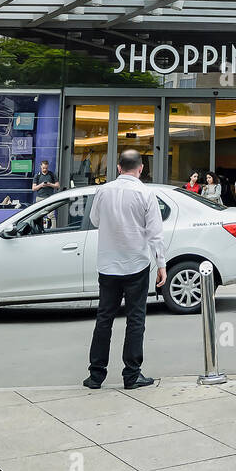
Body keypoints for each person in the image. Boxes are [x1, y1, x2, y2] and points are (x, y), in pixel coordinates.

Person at [84, 148, 165, 391]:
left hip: (108, 265)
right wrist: (162, 265)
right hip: (136, 264)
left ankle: (95, 375)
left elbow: (95, 220)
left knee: (104, 319)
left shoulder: (103, 191)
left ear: (118, 167)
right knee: (136, 319)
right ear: (140, 168)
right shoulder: (145, 194)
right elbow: (155, 234)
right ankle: (132, 374)